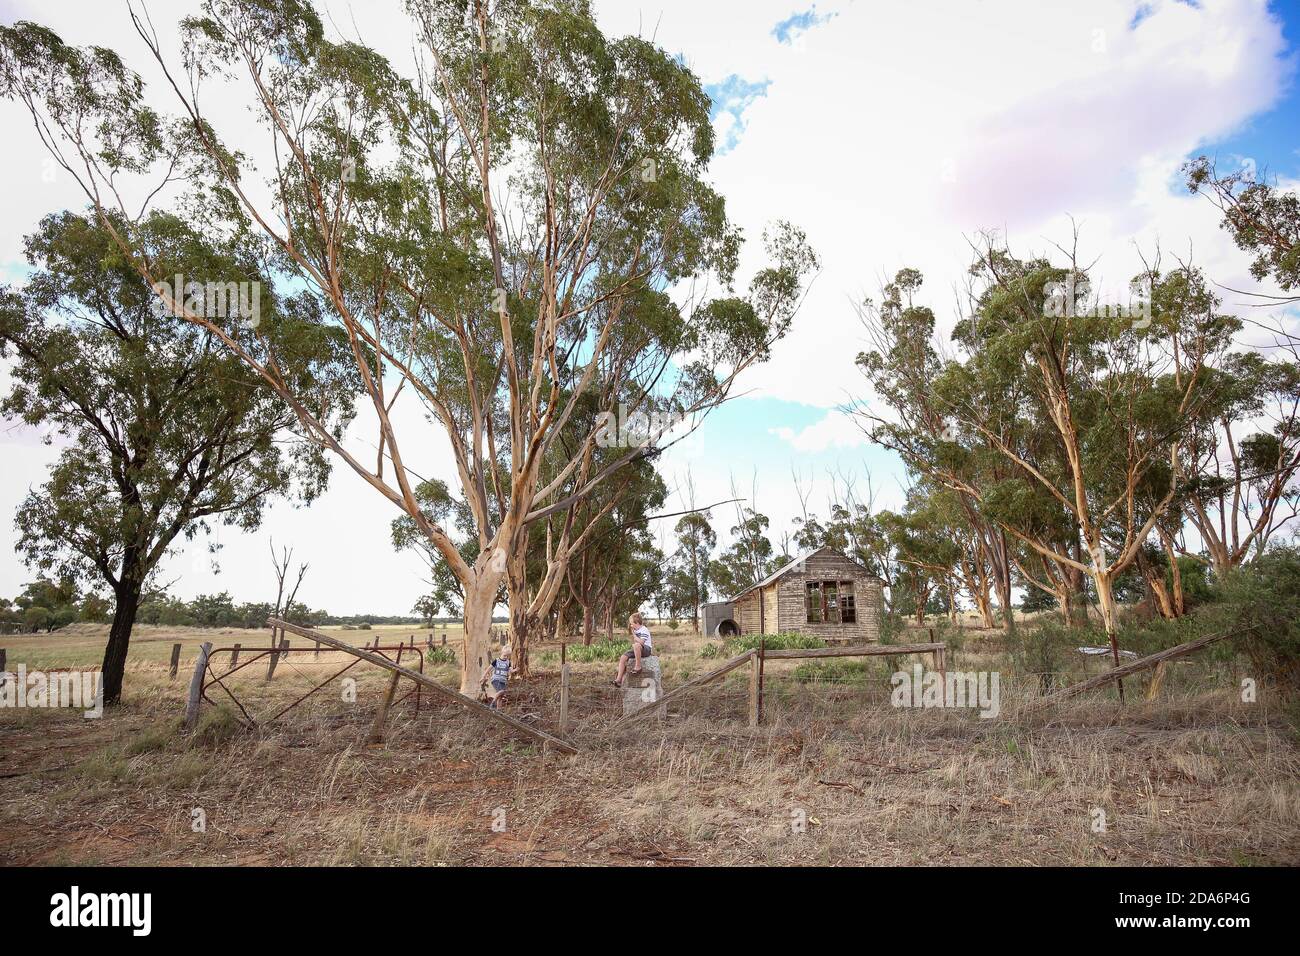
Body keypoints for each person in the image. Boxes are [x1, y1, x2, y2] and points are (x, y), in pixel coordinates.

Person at [613, 613, 653, 688]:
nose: (631, 626)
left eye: (631, 624)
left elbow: (641, 642)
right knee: (623, 657)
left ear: (637, 623)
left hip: (646, 649)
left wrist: (634, 636)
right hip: (638, 649)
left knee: (636, 645)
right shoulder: (636, 630)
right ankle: (618, 679)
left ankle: (638, 667)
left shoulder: (644, 630)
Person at [481, 645, 512, 709]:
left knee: (500, 696)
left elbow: (510, 671)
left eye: (508, 656)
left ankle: (499, 711)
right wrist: (483, 676)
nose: (506, 657)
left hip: (503, 680)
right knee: (501, 691)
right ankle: (493, 702)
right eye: (505, 655)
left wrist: (514, 671)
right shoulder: (496, 660)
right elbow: (489, 669)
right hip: (496, 679)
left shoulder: (508, 662)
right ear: (502, 652)